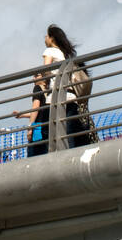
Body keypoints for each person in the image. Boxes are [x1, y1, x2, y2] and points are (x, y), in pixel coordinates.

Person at [17, 24, 93, 154]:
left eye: (46, 36)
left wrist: (45, 78)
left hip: (55, 100)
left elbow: (46, 68)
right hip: (71, 99)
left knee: (48, 134)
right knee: (70, 135)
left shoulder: (50, 51)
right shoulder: (65, 55)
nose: (45, 38)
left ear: (52, 38)